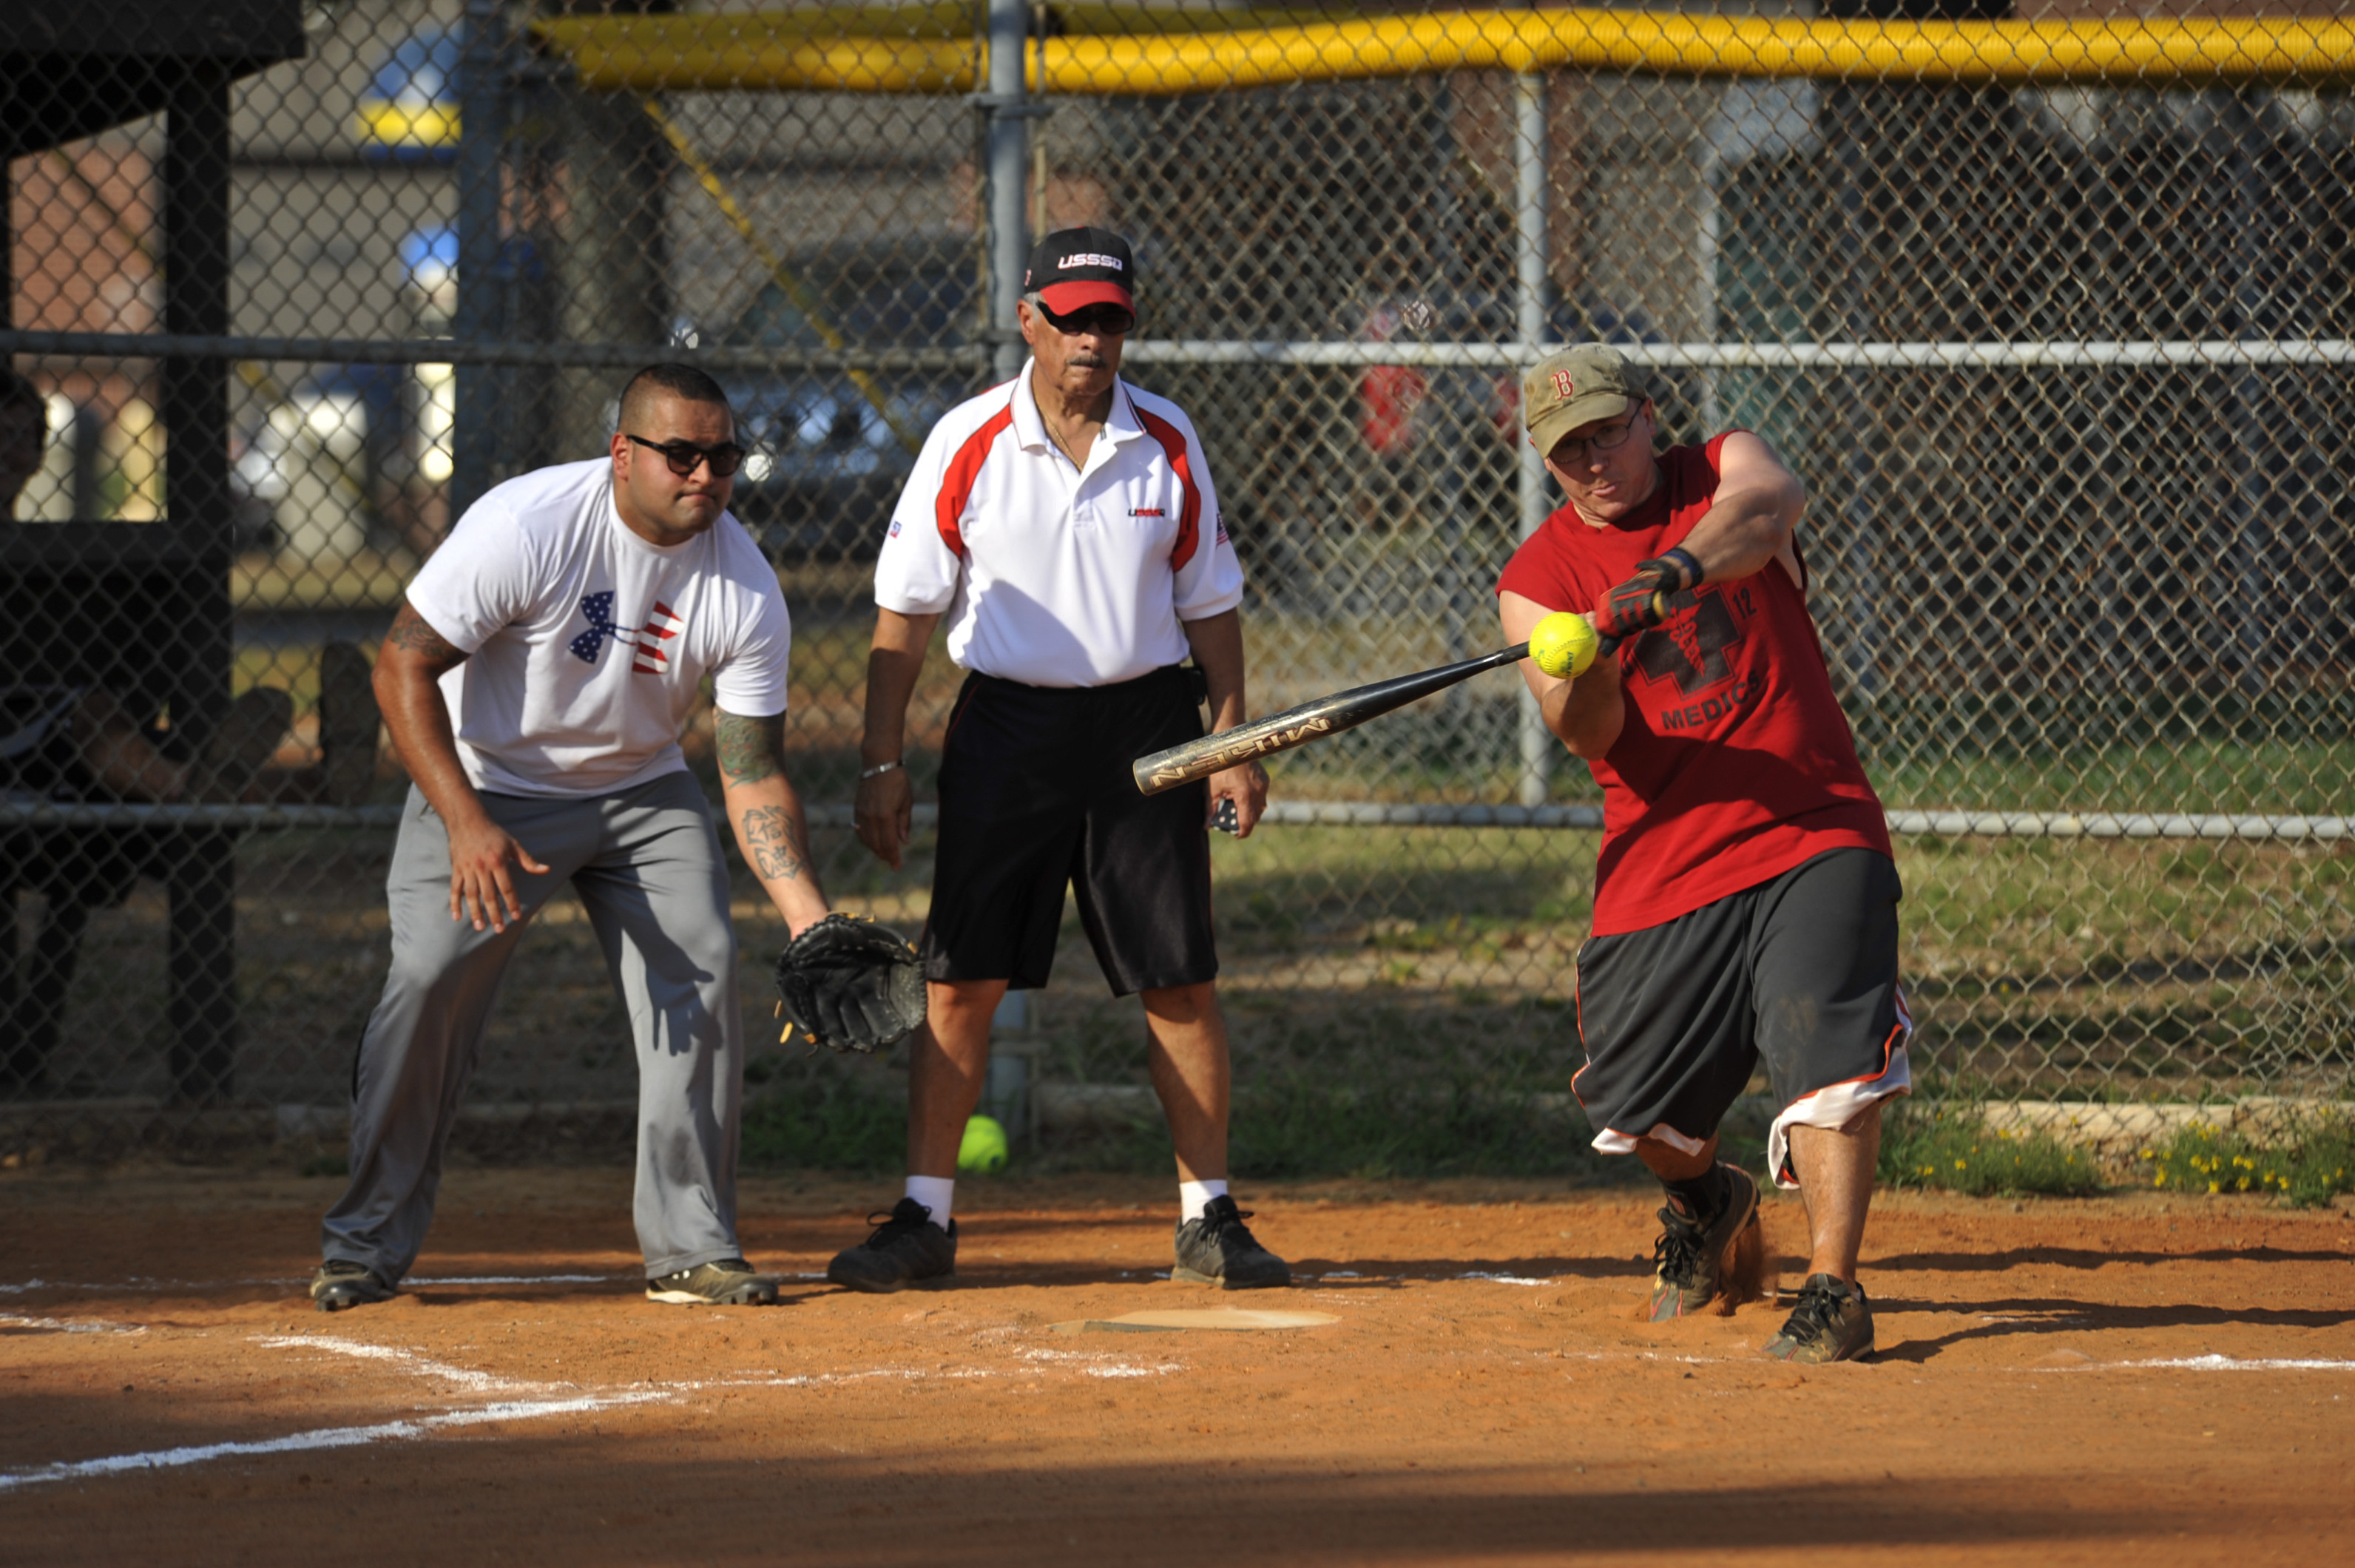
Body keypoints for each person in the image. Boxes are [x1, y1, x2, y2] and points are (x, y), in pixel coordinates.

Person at [309, 363, 831, 1311]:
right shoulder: (530, 525)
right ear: (622, 453)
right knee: (427, 982)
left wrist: (808, 916)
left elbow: (752, 768)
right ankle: (363, 1244)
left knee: (704, 963)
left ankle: (692, 1245)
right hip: (490, 781)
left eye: (723, 456)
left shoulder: (746, 587)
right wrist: (466, 822)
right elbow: (401, 668)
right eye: (682, 453)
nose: (705, 476)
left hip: (641, 789)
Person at [830, 227, 1286, 1294]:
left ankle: (1209, 1219)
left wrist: (1230, 744)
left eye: (1110, 319)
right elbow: (903, 616)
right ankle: (925, 1219)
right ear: (1028, 318)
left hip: (1147, 729)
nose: (1091, 338)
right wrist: (879, 762)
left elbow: (1211, 607)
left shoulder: (1166, 440)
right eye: (1071, 317)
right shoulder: (968, 438)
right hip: (1009, 732)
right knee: (962, 979)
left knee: (1179, 978)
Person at [1497, 345, 1908, 1365]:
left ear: (1648, 415)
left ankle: (1833, 1290)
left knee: (1824, 1055)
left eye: (1608, 432)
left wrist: (1667, 575)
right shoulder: (1536, 582)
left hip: (1809, 823)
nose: (1595, 462)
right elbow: (1589, 737)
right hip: (1664, 868)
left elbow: (1767, 512)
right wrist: (1589, 656)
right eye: (1569, 451)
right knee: (1636, 1107)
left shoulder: (1720, 465)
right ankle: (1708, 1201)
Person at [1, 371, 291, 1097]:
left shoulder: (66, 562)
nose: (11, 450)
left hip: (59, 764)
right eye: (0, 435)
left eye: (24, 438)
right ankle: (247, 790)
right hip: (52, 743)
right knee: (101, 718)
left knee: (122, 743)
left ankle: (277, 782)